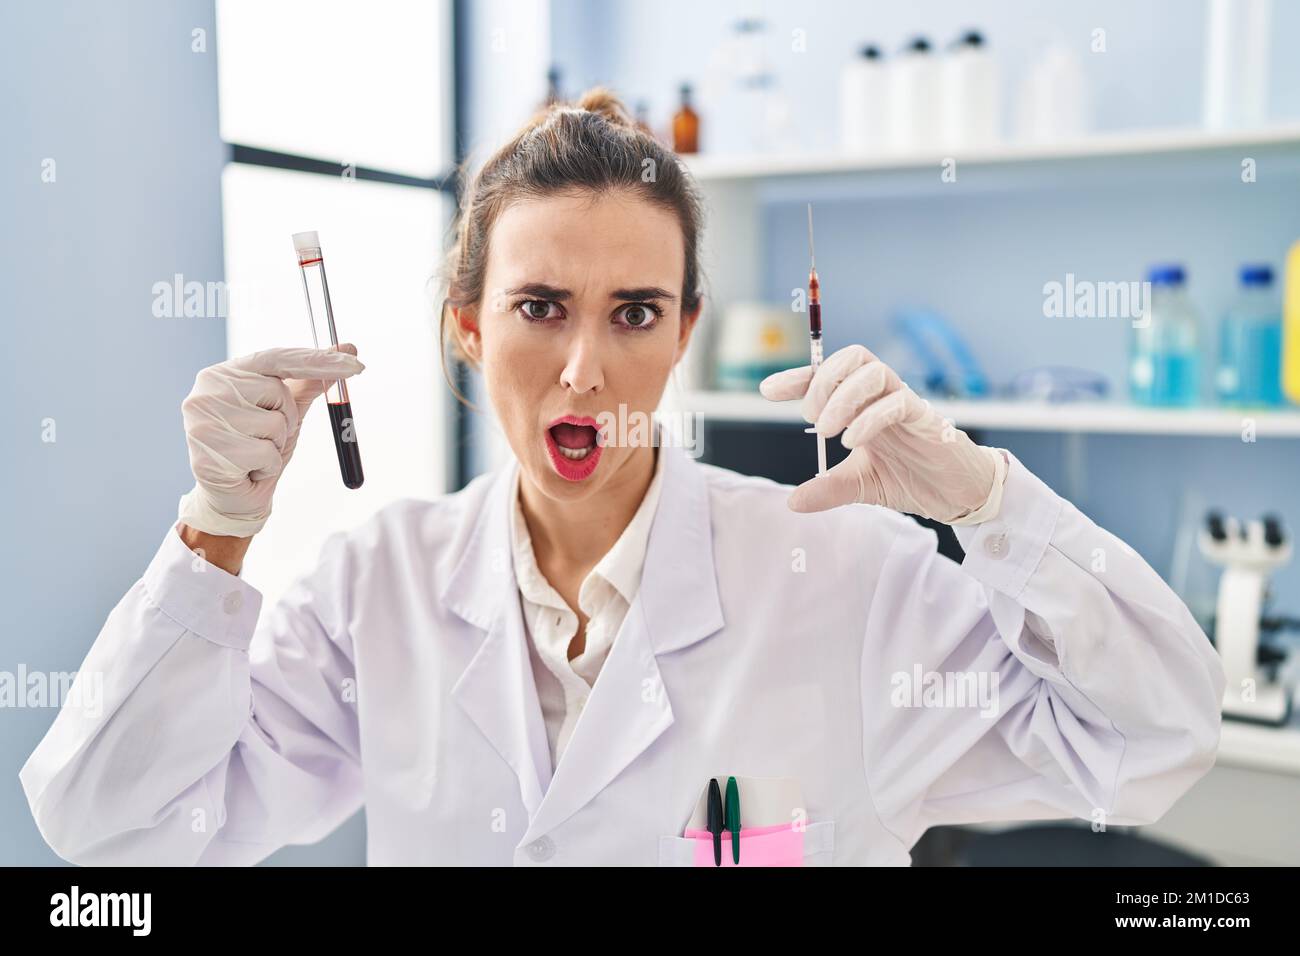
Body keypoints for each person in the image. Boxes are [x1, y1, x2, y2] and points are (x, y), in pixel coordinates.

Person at [20, 88, 1225, 866]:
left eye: (634, 311)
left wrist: (985, 505)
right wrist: (219, 528)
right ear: (468, 328)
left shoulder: (853, 580)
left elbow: (1155, 734)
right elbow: (110, 834)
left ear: (686, 328)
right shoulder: (370, 590)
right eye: (538, 306)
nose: (587, 369)